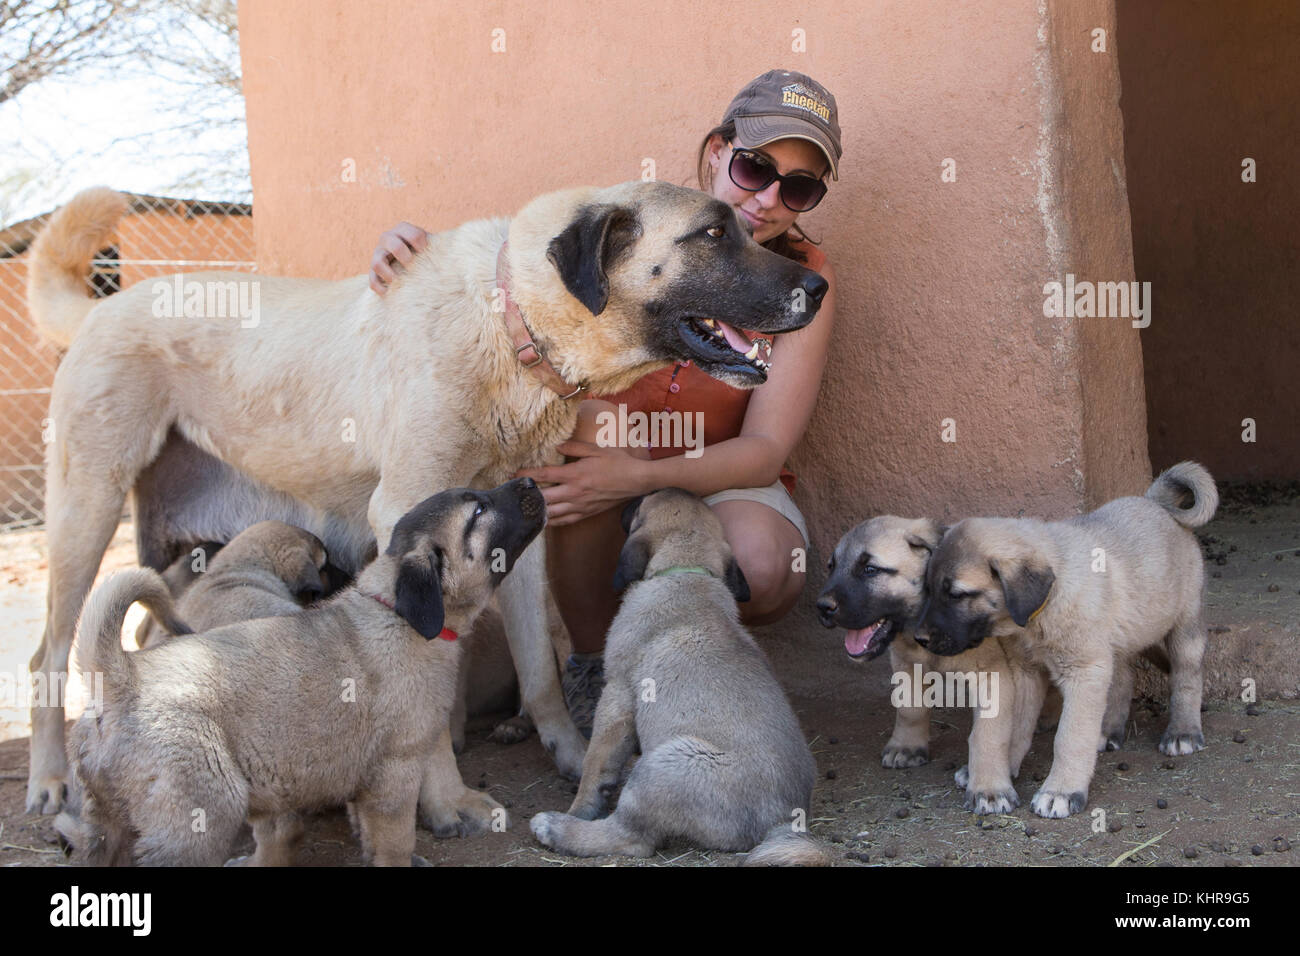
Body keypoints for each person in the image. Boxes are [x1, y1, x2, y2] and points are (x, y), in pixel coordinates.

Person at [369, 70, 841, 736]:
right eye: (753, 167)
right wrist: (412, 253)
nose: (767, 198)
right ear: (716, 152)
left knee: (762, 565)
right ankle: (589, 667)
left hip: (719, 479)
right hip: (604, 475)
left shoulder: (802, 282)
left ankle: (691, 672)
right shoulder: (629, 230)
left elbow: (764, 452)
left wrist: (642, 478)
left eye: (797, 186)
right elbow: (508, 284)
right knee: (591, 429)